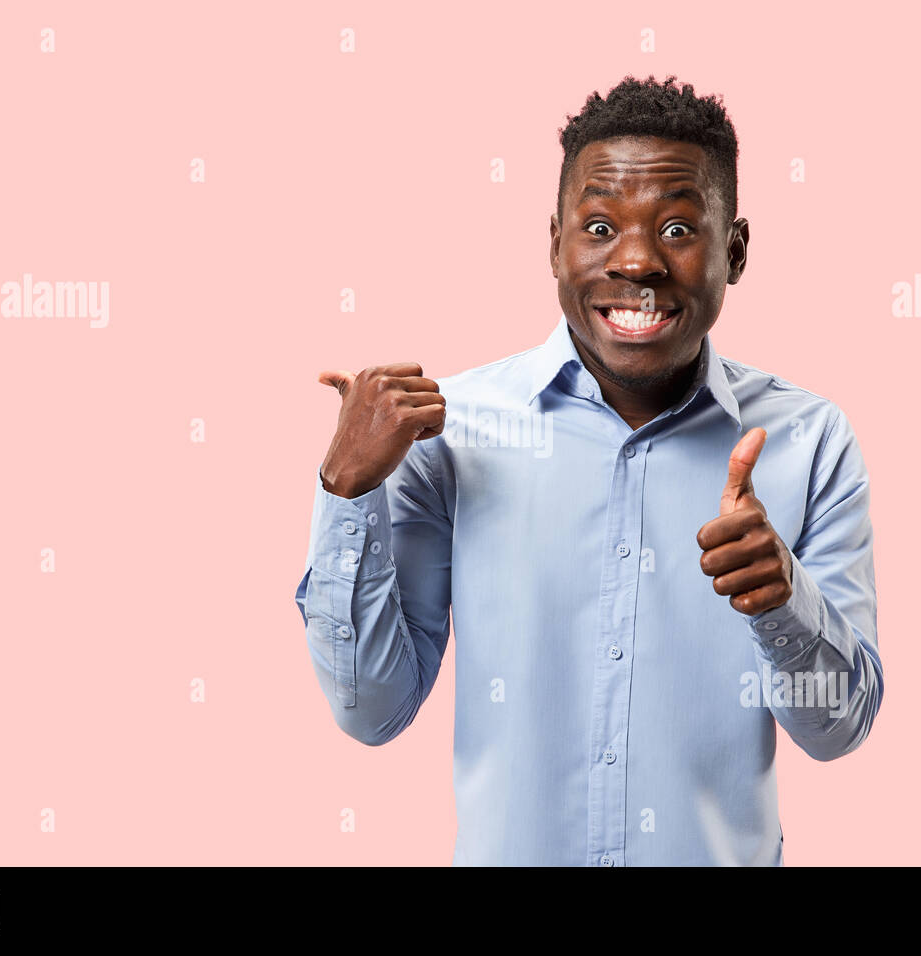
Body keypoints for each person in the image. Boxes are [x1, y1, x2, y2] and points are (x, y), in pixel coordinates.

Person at [295, 74, 883, 866]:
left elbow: (838, 731)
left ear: (735, 250)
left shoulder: (809, 442)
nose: (636, 261)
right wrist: (348, 491)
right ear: (554, 244)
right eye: (600, 225)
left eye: (678, 229)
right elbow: (371, 710)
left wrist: (784, 601)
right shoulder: (448, 431)